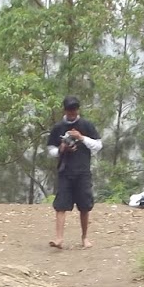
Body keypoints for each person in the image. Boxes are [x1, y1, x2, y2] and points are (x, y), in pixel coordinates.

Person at [46, 95, 102, 248]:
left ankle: (84, 238)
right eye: (69, 109)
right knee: (60, 205)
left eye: (74, 109)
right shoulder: (58, 128)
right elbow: (50, 149)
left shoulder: (86, 125)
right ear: (64, 110)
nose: (72, 112)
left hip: (83, 171)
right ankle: (59, 239)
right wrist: (62, 149)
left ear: (78, 109)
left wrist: (81, 137)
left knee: (84, 206)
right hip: (65, 171)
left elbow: (98, 145)